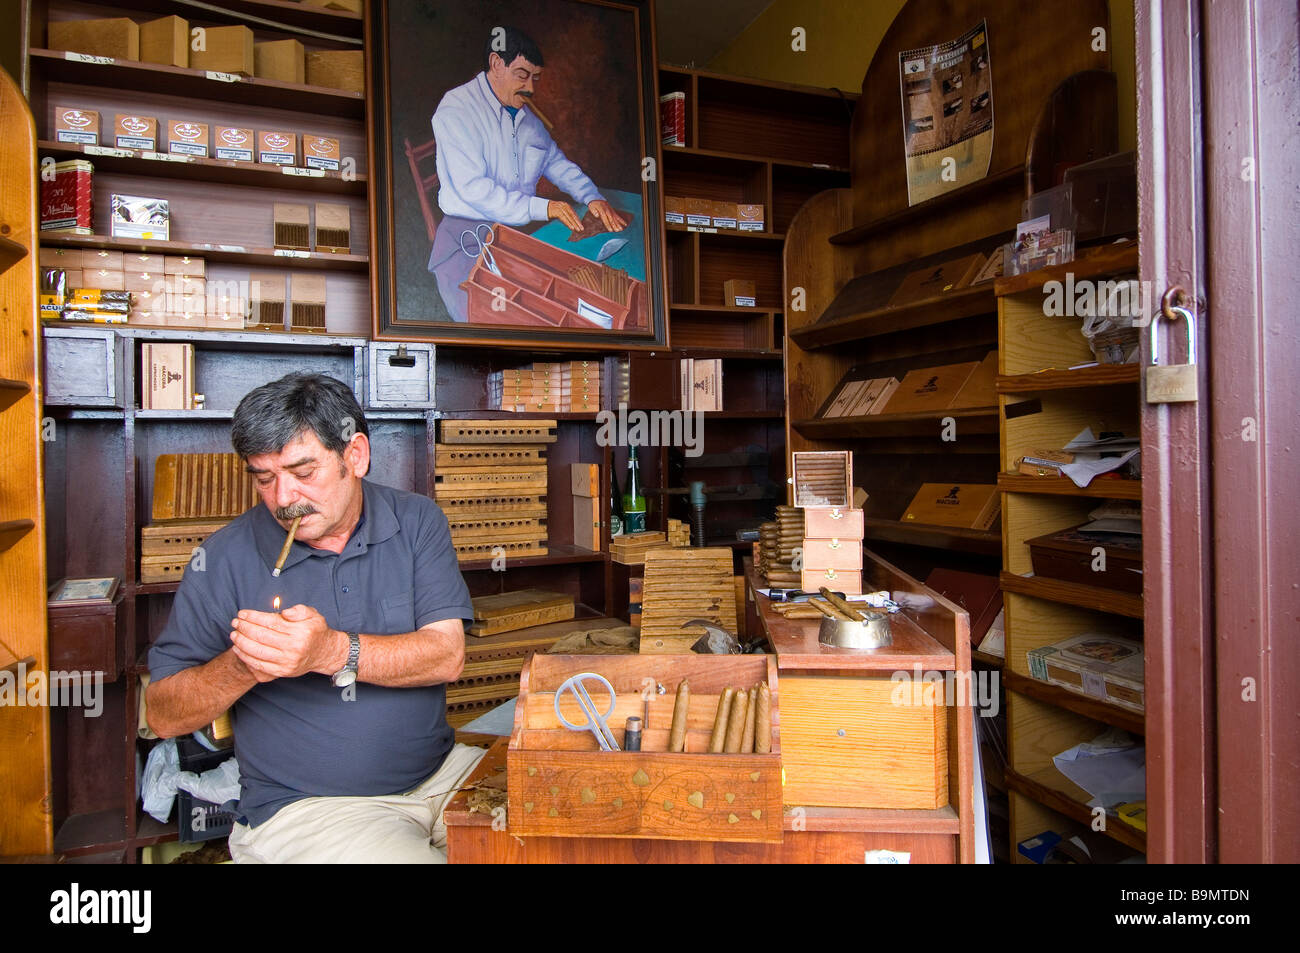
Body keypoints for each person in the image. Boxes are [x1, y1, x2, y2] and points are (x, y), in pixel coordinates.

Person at [145, 372, 484, 863]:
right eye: (265, 478)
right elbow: (162, 714)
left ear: (356, 456)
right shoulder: (220, 558)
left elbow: (447, 656)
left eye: (303, 473)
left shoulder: (416, 521)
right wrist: (246, 665)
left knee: (567, 835)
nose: (284, 499)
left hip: (443, 775)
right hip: (310, 809)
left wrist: (327, 650)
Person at [428, 25, 629, 321]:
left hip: (515, 237)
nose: (531, 88)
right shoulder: (456, 109)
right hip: (466, 241)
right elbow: (474, 190)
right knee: (494, 322)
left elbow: (557, 163)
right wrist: (544, 207)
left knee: (558, 307)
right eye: (523, 75)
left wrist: (591, 197)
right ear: (497, 64)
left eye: (535, 78)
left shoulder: (526, 117)